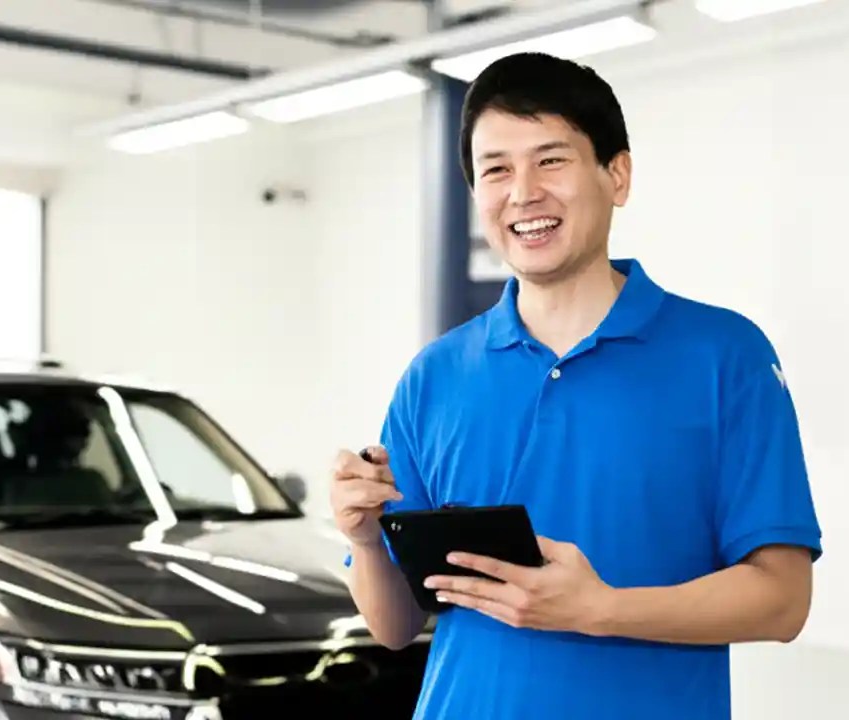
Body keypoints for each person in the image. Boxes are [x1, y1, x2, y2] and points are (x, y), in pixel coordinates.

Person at [331, 52, 821, 720]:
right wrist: (363, 539)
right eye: (496, 169)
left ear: (616, 175)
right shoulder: (436, 374)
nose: (523, 192)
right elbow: (394, 627)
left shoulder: (724, 355)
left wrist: (602, 609)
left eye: (551, 160)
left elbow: (783, 600)